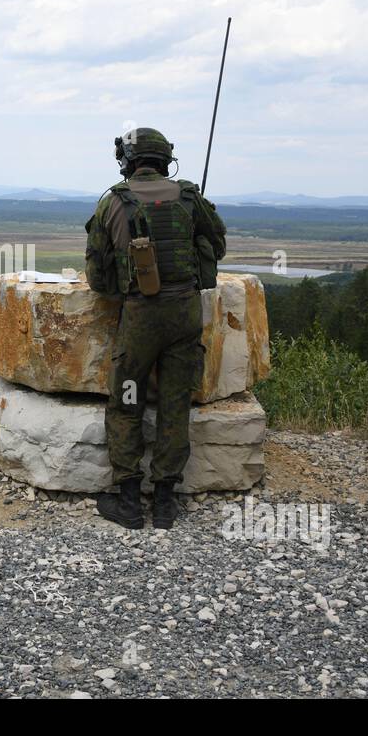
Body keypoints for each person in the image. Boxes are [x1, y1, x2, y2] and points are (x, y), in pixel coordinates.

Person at [83, 127, 226, 529]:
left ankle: (128, 500)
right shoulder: (190, 199)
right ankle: (165, 502)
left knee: (128, 399)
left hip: (141, 318)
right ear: (165, 159)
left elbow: (97, 271)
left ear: (129, 162)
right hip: (184, 314)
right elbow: (216, 246)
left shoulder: (113, 201)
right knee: (174, 403)